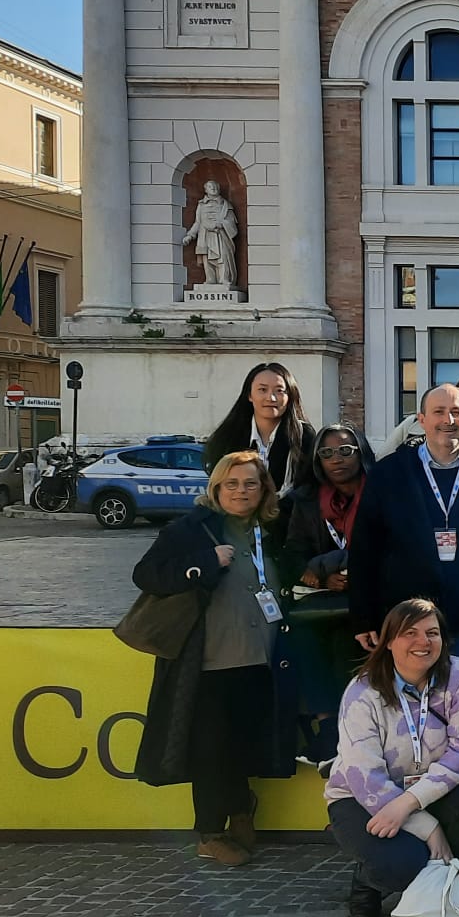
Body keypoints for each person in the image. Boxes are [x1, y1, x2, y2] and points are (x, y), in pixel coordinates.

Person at [130, 450, 301, 866]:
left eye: (250, 483)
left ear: (264, 489)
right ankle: (209, 833)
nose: (241, 491)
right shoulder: (192, 529)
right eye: (232, 484)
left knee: (242, 742)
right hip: (208, 661)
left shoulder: (272, 530)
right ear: (217, 488)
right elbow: (146, 574)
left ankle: (241, 809)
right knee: (209, 749)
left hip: (261, 658)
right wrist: (204, 563)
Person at [348, 384, 459, 713]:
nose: (448, 420)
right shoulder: (389, 473)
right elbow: (364, 549)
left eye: (456, 412)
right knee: (408, 720)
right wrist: (363, 616)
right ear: (421, 420)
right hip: (407, 623)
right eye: (439, 412)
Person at [323, 598, 459, 917]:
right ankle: (368, 878)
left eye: (432, 633)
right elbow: (364, 777)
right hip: (362, 798)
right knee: (401, 866)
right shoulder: (362, 692)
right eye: (410, 633)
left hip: (427, 792)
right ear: (388, 641)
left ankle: (441, 875)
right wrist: (427, 826)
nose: (423, 642)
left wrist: (410, 803)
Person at [275, 425, 372, 763]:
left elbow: (393, 546)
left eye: (345, 450)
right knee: (304, 642)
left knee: (347, 644)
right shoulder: (305, 501)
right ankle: (328, 730)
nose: (336, 459)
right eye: (327, 453)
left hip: (371, 600)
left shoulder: (381, 492)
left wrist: (345, 568)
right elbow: (292, 555)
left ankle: (356, 734)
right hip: (323, 602)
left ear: (361, 453)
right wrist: (321, 576)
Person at [204, 361, 316, 492]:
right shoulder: (229, 436)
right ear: (249, 395)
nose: (271, 398)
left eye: (279, 391)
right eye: (262, 390)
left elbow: (308, 487)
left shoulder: (303, 436)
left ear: (290, 396)